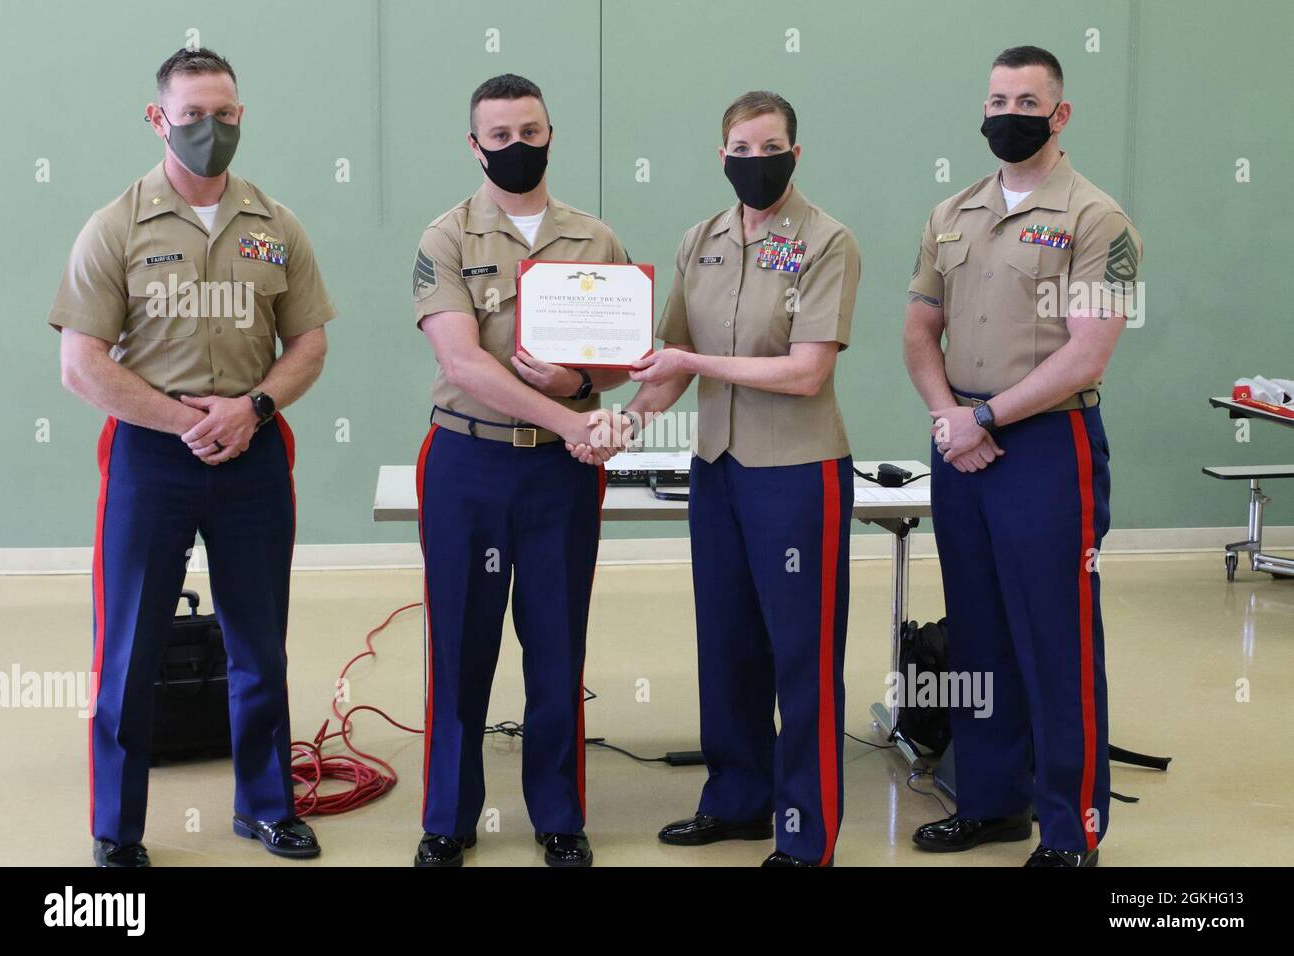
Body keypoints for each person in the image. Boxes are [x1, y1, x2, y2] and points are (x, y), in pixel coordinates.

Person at [49, 48, 336, 866]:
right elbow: (83, 364)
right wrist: (182, 422)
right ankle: (117, 829)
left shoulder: (275, 225)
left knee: (259, 644)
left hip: (251, 451)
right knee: (130, 650)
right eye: (194, 115)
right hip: (152, 458)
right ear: (158, 118)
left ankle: (266, 807)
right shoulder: (115, 227)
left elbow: (309, 342)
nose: (212, 130)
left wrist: (253, 409)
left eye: (227, 114)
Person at [581, 90, 860, 866]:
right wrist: (626, 421)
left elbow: (807, 372)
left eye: (770, 148)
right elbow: (664, 359)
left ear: (794, 155)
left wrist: (692, 364)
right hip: (719, 469)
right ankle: (737, 799)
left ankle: (806, 833)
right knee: (729, 645)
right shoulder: (700, 241)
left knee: (800, 655)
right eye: (741, 149)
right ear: (722, 156)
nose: (755, 162)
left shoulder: (827, 240)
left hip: (798, 474)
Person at [903, 45, 1144, 867]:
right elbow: (918, 329)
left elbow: (1089, 355)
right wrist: (948, 418)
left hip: (1047, 445)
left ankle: (1072, 826)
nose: (1007, 112)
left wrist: (987, 418)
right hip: (960, 444)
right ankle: (992, 803)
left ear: (1059, 114)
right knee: (977, 636)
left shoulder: (1099, 218)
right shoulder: (950, 213)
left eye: (1027, 100)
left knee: (1057, 637)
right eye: (997, 97)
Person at [410, 74, 632, 868]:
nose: (516, 146)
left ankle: (560, 816)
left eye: (529, 131)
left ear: (550, 132)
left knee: (556, 644)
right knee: (460, 645)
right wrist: (575, 417)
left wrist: (578, 389)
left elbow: (615, 367)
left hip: (558, 475)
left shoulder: (595, 239)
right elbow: (463, 363)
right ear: (474, 145)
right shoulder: (446, 238)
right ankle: (448, 818)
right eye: (497, 135)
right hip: (468, 461)